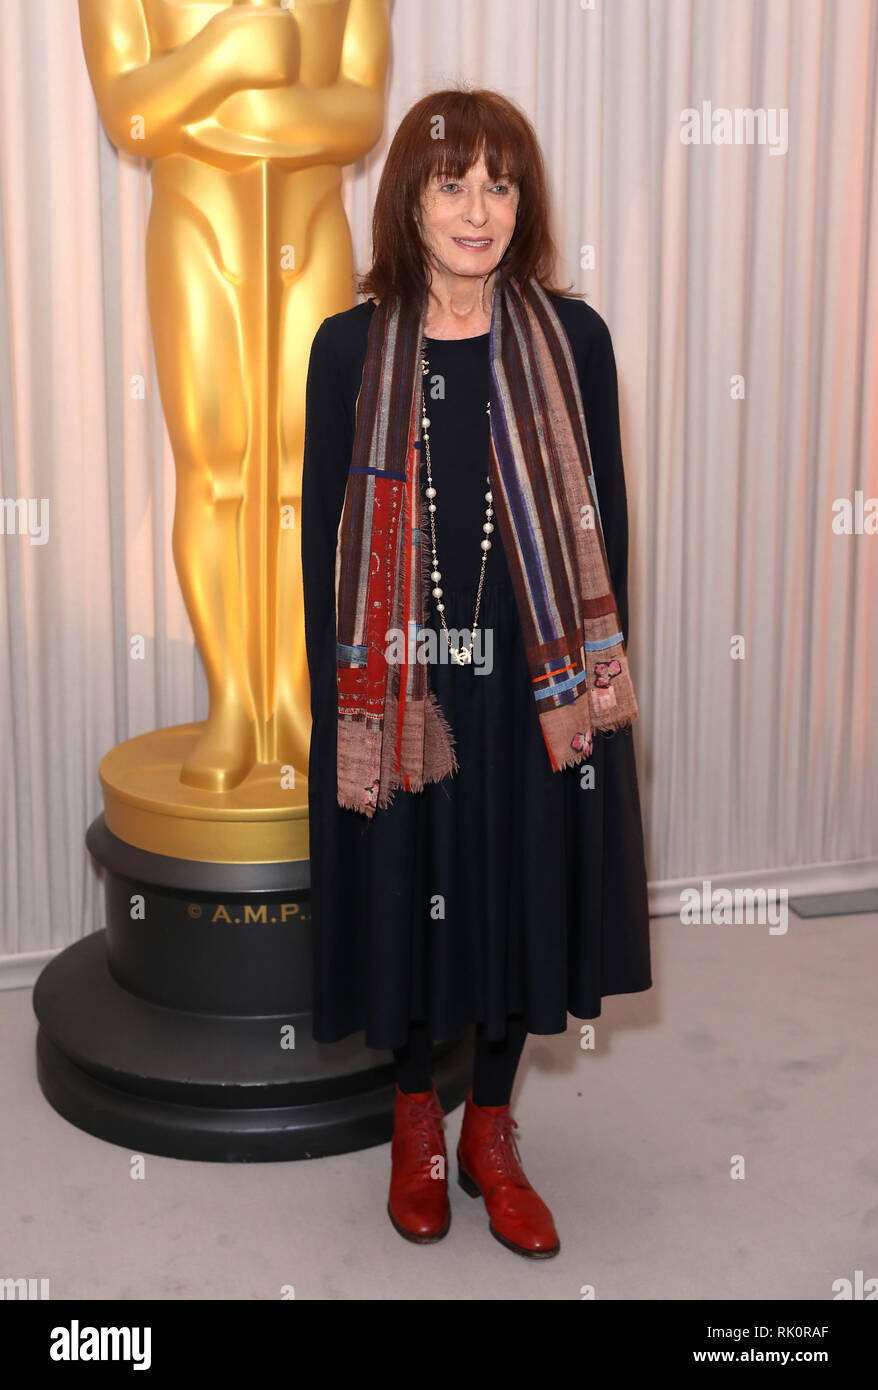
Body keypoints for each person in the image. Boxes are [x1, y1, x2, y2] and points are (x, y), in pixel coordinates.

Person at [301, 86, 651, 1259]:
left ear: (521, 202)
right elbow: (320, 558)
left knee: (514, 888)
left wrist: (592, 685)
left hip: (529, 688)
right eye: (451, 183)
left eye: (498, 184)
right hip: (401, 685)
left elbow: (599, 532)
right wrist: (343, 706)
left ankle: (491, 1127)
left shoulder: (574, 342)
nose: (475, 209)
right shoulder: (348, 348)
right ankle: (417, 1124)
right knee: (408, 883)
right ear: (408, 196)